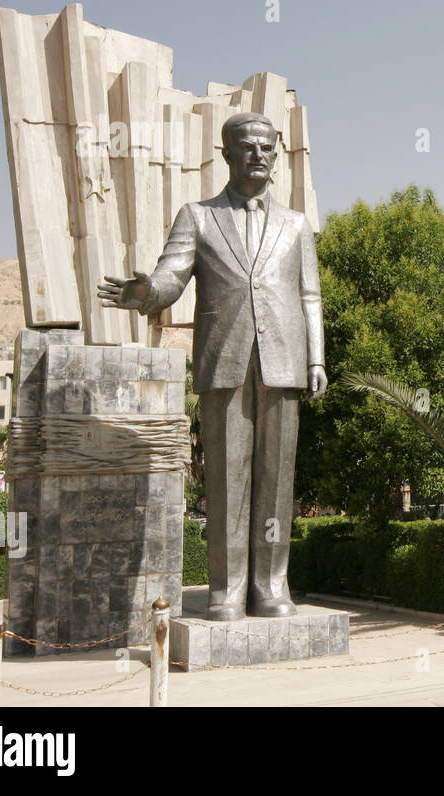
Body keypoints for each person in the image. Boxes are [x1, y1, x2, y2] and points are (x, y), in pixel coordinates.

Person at [97, 113, 325, 621]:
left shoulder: (295, 224)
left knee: (276, 479)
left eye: (267, 147)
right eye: (247, 146)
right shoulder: (197, 216)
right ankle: (226, 588)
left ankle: (270, 587)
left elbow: (309, 294)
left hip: (284, 361)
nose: (259, 155)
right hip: (224, 360)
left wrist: (317, 357)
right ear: (227, 154)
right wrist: (145, 294)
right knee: (225, 482)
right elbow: (170, 278)